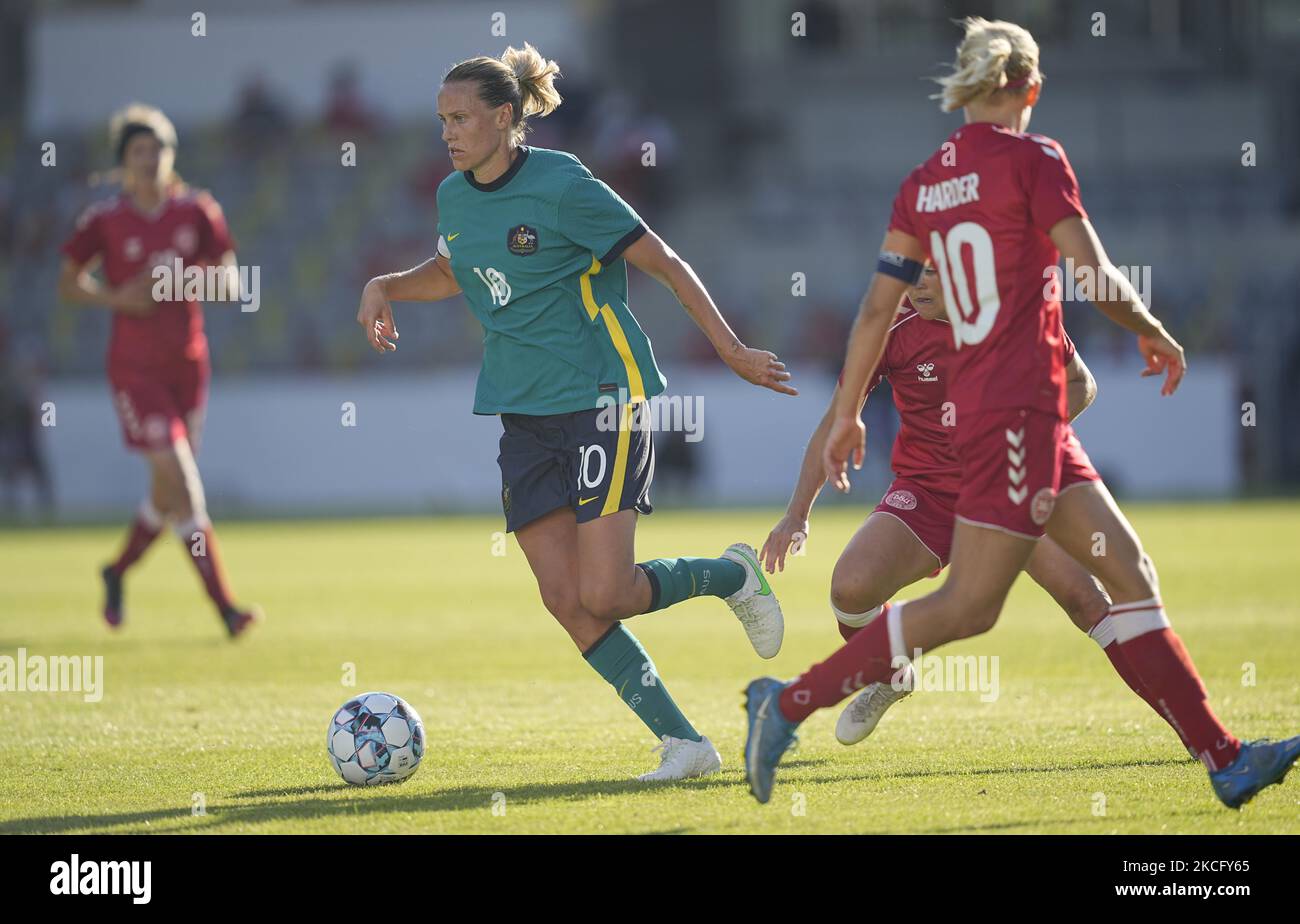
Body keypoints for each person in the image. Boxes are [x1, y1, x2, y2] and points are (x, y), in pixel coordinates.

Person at [743, 17, 1298, 807]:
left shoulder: (923, 183)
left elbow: (871, 309)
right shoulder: (1036, 159)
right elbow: (1096, 272)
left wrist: (843, 421)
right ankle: (789, 702)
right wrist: (1155, 333)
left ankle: (1225, 757)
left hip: (1026, 423)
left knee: (1124, 577)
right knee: (968, 607)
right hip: (1013, 422)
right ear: (1027, 89)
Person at [356, 44, 795, 781]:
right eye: (441, 120)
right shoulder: (454, 196)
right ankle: (685, 744)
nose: (449, 133)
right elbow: (455, 271)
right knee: (568, 600)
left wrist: (730, 349)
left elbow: (664, 261)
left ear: (504, 118)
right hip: (521, 416)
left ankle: (731, 577)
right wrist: (385, 283)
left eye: (461, 118)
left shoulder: (564, 184)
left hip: (603, 398)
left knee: (607, 591)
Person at [759, 266, 1162, 745]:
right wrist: (797, 514)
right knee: (850, 589)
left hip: (1010, 486)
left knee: (1086, 599)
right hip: (930, 490)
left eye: (930, 273)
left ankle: (1193, 733)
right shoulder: (889, 325)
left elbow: (1081, 385)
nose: (917, 286)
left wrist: (1022, 439)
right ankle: (891, 675)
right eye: (911, 275)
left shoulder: (1015, 310)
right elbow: (836, 419)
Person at [57, 104, 260, 638]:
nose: (149, 161)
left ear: (172, 156)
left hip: (188, 366)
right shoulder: (104, 220)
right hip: (134, 371)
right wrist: (119, 296)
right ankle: (226, 609)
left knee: (166, 494)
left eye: (158, 151)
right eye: (138, 152)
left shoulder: (197, 212)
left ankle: (117, 569)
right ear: (123, 161)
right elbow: (69, 283)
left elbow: (234, 285)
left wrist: (179, 278)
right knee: (184, 485)